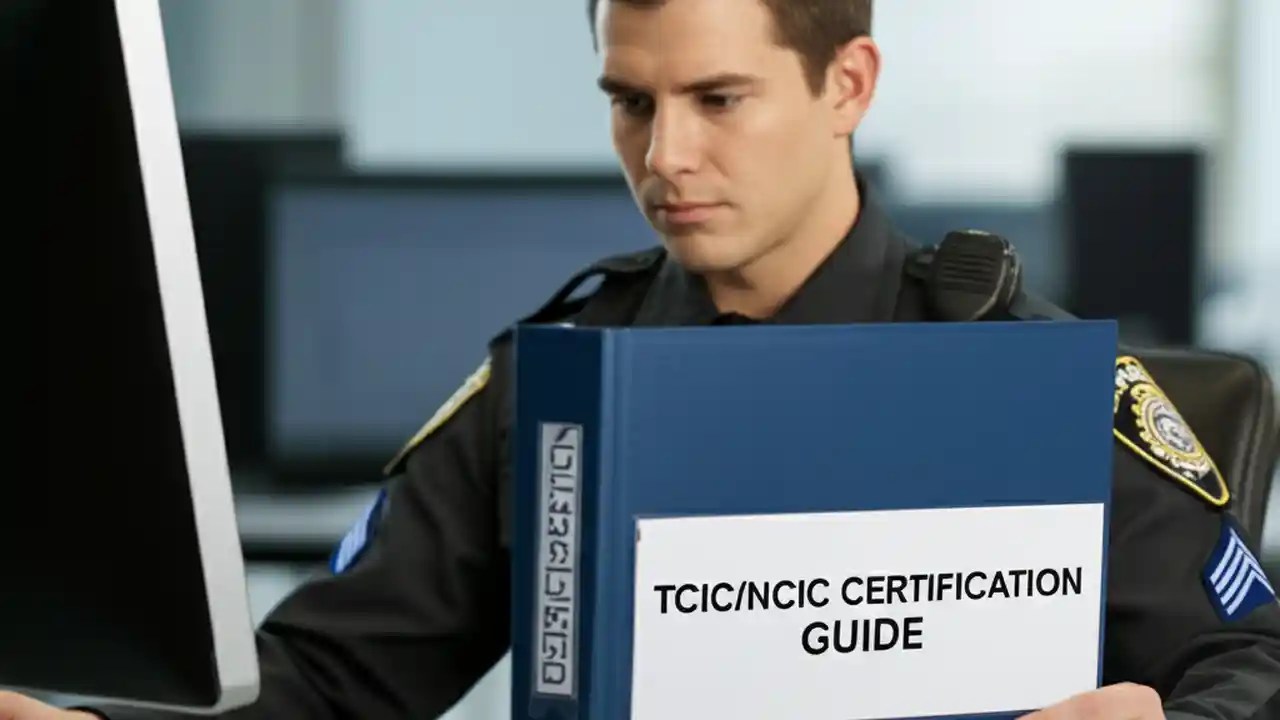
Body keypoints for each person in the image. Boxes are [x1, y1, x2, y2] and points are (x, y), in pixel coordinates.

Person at [5, 1, 1278, 718]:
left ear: (846, 84)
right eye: (630, 102)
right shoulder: (559, 380)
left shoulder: (1019, 379)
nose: (663, 157)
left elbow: (1249, 660)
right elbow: (334, 678)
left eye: (717, 100)